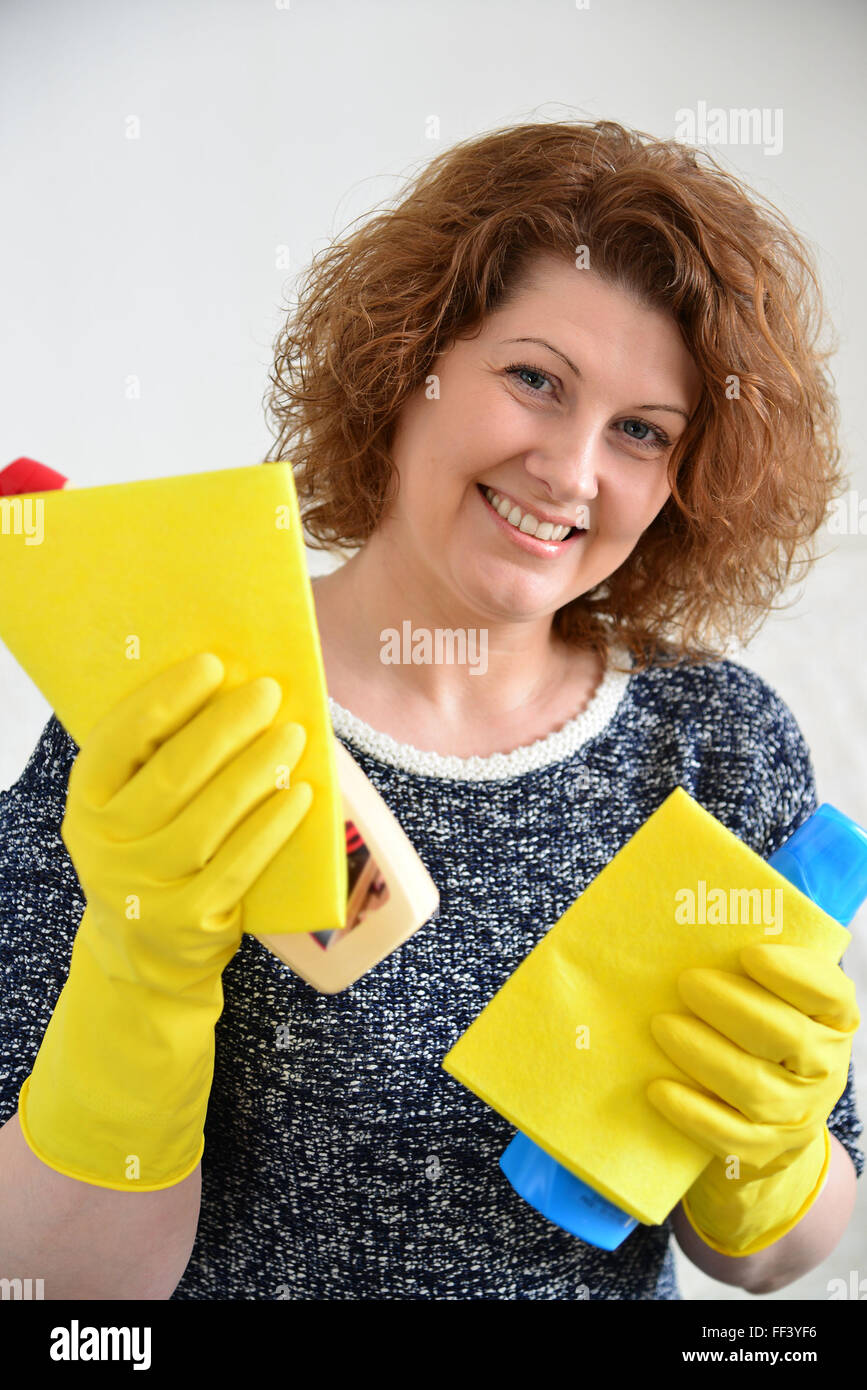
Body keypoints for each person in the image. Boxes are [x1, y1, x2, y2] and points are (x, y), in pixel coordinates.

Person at [0, 118, 861, 1301]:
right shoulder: (180, 714)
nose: (569, 469)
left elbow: (774, 1258)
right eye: (535, 379)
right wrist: (143, 964)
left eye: (642, 432)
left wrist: (771, 1152)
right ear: (411, 361)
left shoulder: (716, 740)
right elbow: (61, 1288)